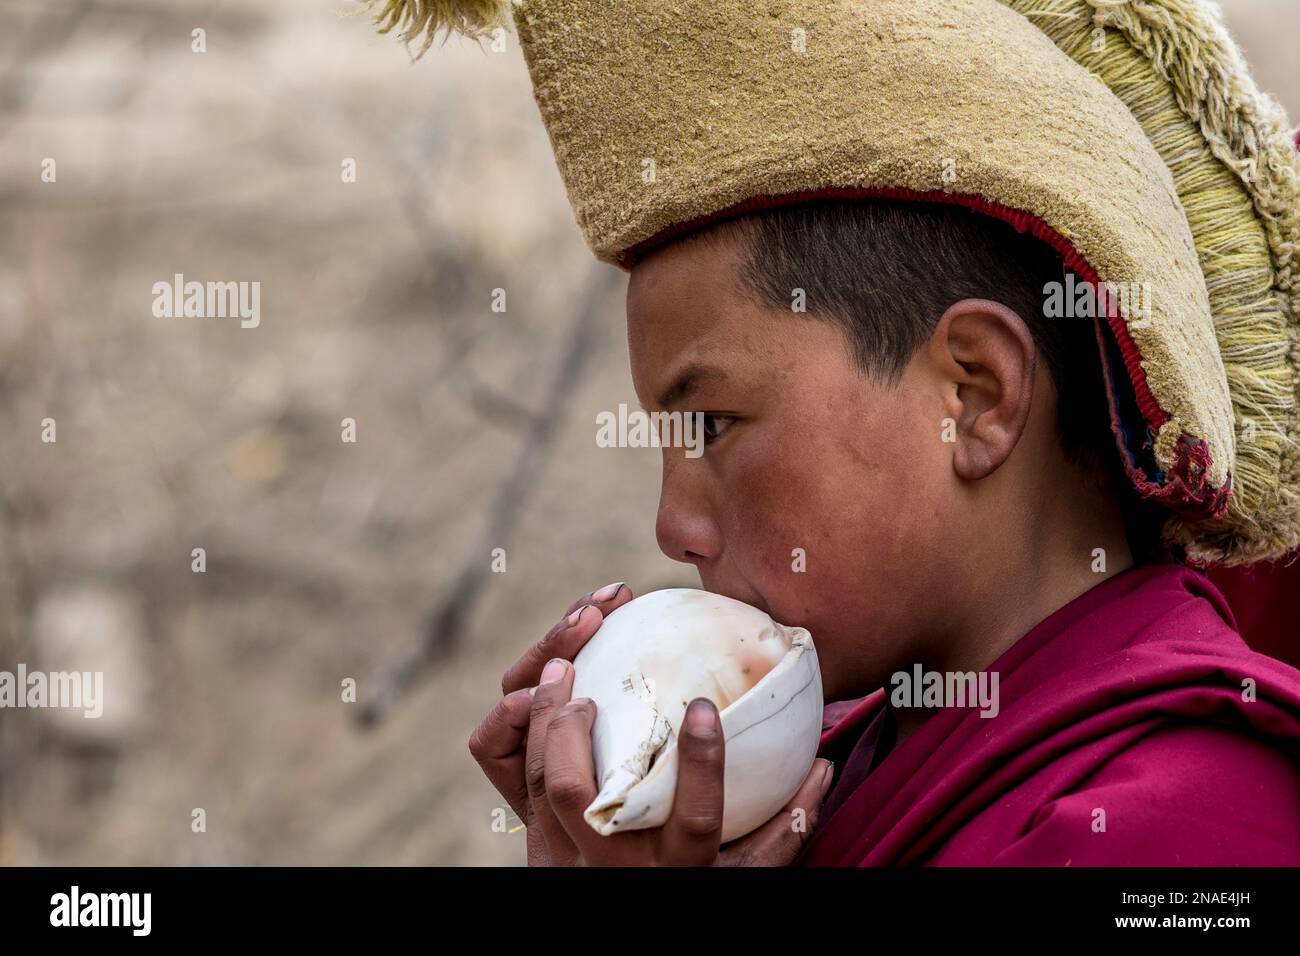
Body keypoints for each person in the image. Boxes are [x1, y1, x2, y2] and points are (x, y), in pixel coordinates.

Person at [360, 0, 1300, 864]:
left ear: (975, 395)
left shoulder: (1181, 828)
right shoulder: (829, 768)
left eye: (714, 425)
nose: (672, 528)